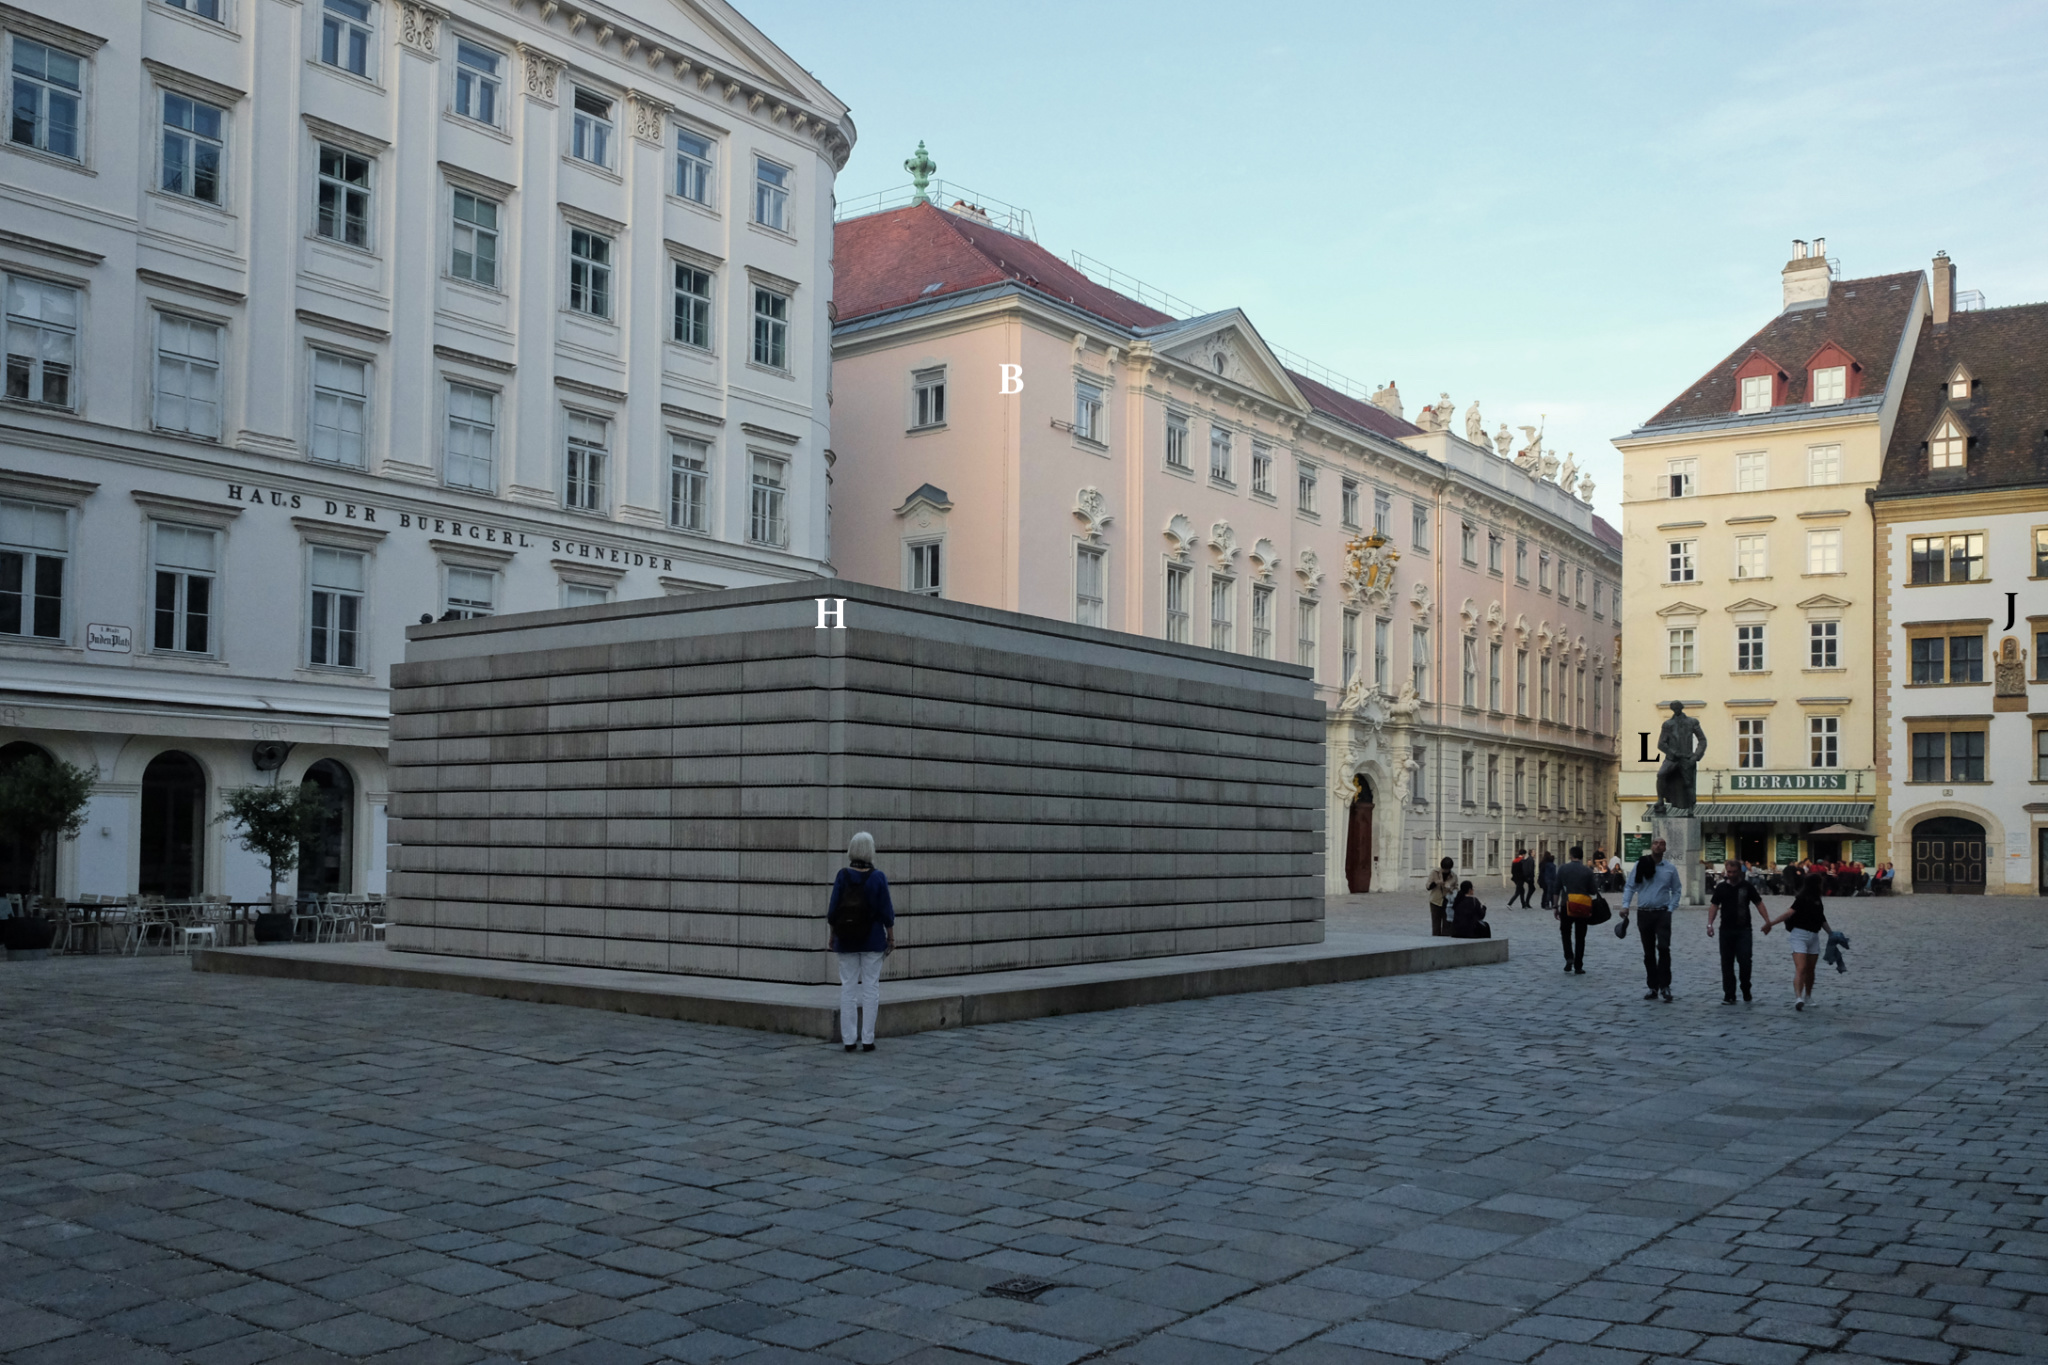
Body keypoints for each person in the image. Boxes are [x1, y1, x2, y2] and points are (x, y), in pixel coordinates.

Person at [825, 831, 895, 1051]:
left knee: (848, 988)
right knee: (871, 988)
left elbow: (832, 911)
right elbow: (887, 912)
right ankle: (867, 1039)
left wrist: (833, 935)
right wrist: (891, 936)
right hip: (873, 940)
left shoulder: (842, 876)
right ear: (870, 851)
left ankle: (848, 1040)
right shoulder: (878, 877)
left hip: (846, 939)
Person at [1622, 838, 1681, 1002]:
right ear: (1651, 846)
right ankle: (1652, 986)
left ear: (1665, 848)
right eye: (1655, 843)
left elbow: (1677, 890)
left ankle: (1665, 985)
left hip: (1662, 913)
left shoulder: (1670, 868)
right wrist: (1625, 905)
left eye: (1662, 843)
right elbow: (1630, 886)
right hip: (1644, 913)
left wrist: (1671, 908)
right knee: (1648, 952)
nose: (1658, 845)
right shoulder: (1640, 865)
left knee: (1663, 948)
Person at [1763, 872, 1830, 1011]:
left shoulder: (1818, 900)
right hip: (1799, 935)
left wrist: (1832, 934)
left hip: (1814, 936)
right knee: (1801, 967)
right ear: (1816, 884)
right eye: (1820, 883)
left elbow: (1822, 918)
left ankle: (1808, 995)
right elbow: (1788, 913)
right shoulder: (1801, 899)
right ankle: (1798, 997)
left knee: (1811, 969)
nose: (1822, 885)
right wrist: (1771, 923)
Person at [1706, 857, 1769, 1004]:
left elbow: (1758, 903)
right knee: (1726, 963)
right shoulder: (1721, 887)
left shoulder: (1747, 887)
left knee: (1745, 961)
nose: (1731, 874)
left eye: (1734, 872)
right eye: (1729, 872)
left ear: (1739, 872)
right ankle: (1729, 994)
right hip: (1725, 930)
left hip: (1744, 930)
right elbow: (1714, 905)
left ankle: (1745, 987)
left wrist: (1767, 921)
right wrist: (1710, 924)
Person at [1555, 844, 1598, 974]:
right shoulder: (1587, 871)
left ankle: (1569, 957)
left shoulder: (1563, 869)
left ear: (1571, 855)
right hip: (1582, 906)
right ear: (1581, 856)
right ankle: (1578, 965)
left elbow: (1556, 889)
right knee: (1580, 936)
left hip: (1566, 905)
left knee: (1565, 933)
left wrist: (1555, 906)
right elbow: (1593, 890)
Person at [1426, 856, 1456, 936]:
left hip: (1448, 903)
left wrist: (1450, 889)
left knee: (1447, 925)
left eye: (1447, 869)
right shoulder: (1434, 873)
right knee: (1436, 925)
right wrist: (1436, 882)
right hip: (1435, 901)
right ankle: (1436, 940)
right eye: (1444, 869)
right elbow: (1428, 887)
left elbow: (1456, 889)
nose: (1445, 871)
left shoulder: (1453, 876)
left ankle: (1445, 940)